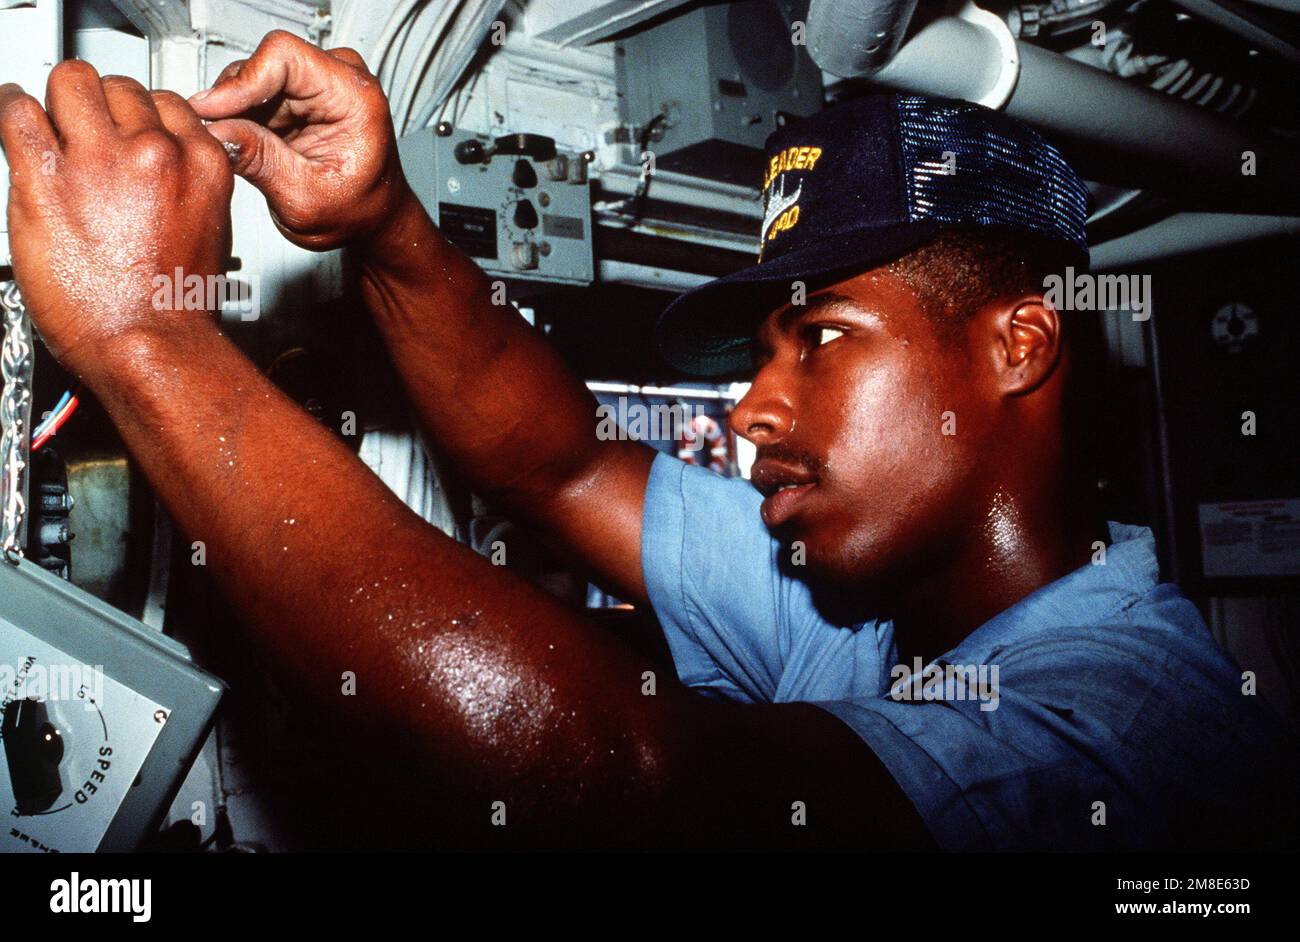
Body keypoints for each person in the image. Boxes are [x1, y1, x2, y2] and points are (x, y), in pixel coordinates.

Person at [0, 30, 1293, 850]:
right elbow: (551, 457)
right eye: (763, 352)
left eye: (822, 338)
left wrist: (149, 341)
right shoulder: (849, 611)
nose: (752, 408)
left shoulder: (1143, 735)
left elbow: (610, 782)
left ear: (1018, 346)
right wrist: (387, 221)